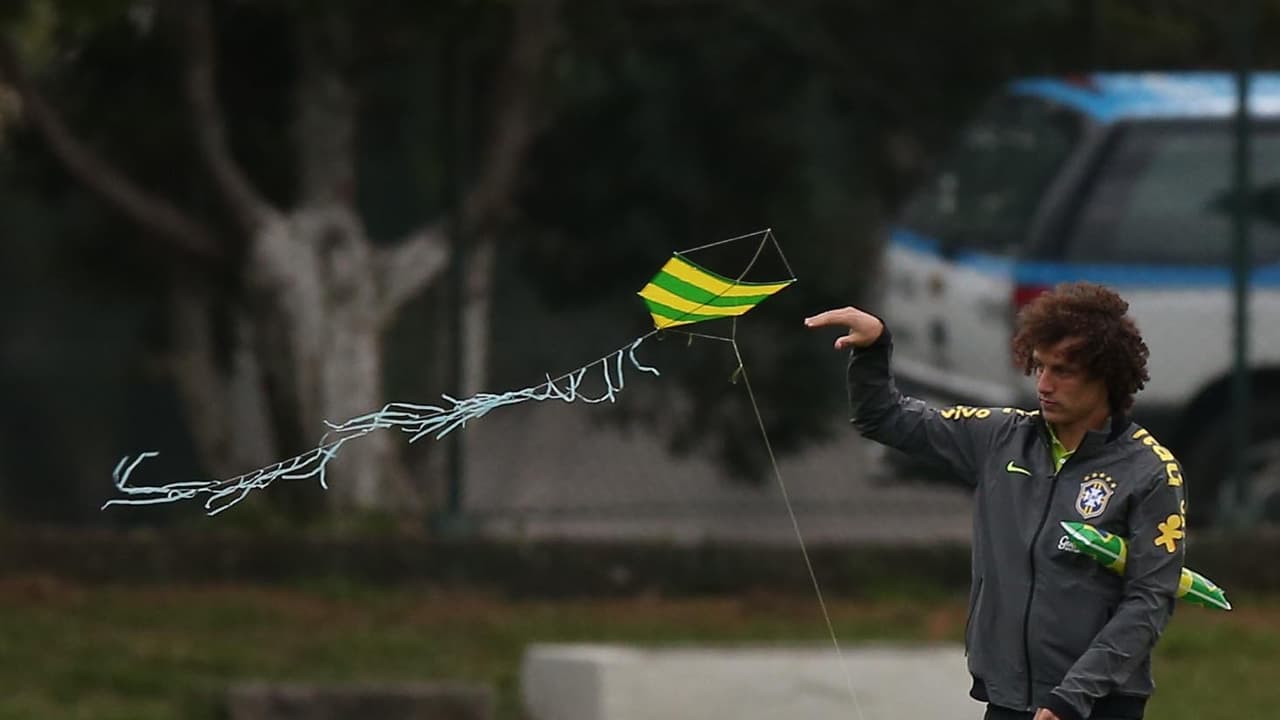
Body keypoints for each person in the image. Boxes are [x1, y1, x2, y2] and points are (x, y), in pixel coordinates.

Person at [805, 282, 1186, 720]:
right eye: (1039, 366)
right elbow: (884, 418)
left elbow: (1149, 601)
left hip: (1094, 706)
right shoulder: (1001, 437)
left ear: (1108, 378)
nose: (1044, 384)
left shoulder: (1151, 471)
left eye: (1063, 371)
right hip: (1007, 699)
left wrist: (1072, 696)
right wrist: (874, 347)